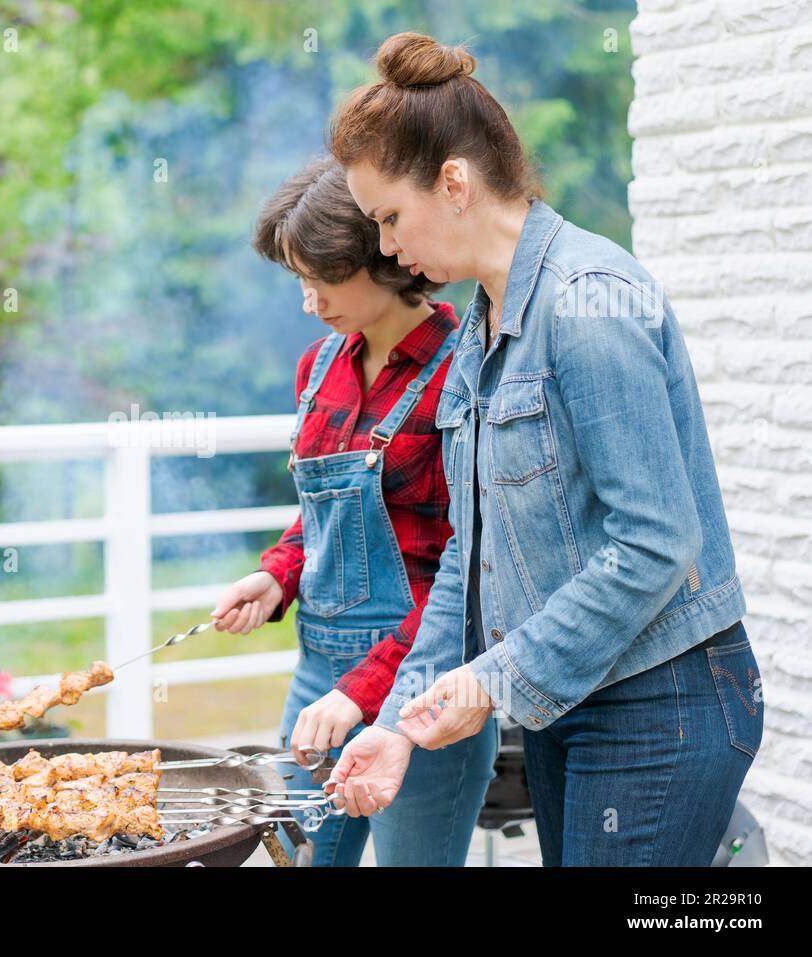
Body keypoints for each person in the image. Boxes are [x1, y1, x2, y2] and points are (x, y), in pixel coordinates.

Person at [323, 32, 764, 866]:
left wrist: (491, 680)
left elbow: (657, 541)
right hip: (573, 700)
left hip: (662, 702)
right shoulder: (479, 332)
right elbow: (469, 555)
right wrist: (397, 723)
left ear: (453, 182)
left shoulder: (589, 304)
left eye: (388, 216)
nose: (384, 247)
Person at [209, 156, 498, 866]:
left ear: (383, 254)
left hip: (424, 678)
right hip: (319, 670)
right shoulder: (318, 367)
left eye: (323, 278)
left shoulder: (466, 368)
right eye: (299, 280)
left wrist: (367, 689)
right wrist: (278, 573)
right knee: (297, 857)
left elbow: (469, 564)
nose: (310, 300)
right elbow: (323, 507)